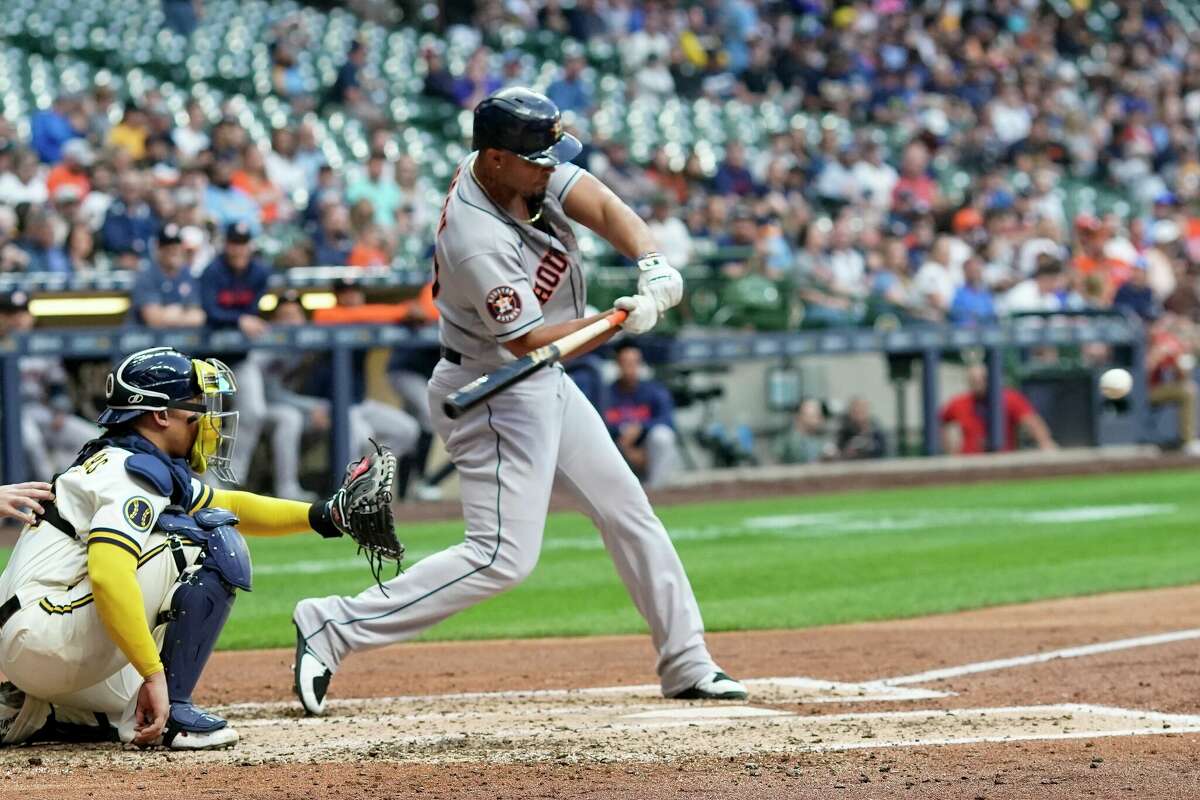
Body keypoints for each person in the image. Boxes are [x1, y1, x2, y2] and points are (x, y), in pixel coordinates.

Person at [293, 88, 746, 717]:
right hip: (497, 390)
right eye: (537, 158)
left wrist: (652, 262)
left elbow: (606, 207)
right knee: (501, 557)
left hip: (543, 383)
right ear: (496, 157)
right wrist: (618, 320)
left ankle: (687, 661)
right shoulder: (475, 237)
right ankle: (332, 624)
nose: (550, 167)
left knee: (627, 511)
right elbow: (529, 343)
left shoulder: (523, 175)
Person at [0, 347, 373, 749]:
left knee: (127, 709)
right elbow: (108, 574)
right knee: (210, 540)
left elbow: (229, 502)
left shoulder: (128, 458)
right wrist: (153, 674)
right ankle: (176, 710)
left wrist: (323, 515)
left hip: (35, 641)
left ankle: (38, 712)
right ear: (160, 414)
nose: (206, 419)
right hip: (47, 635)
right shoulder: (128, 474)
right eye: (195, 407)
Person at [603, 343, 681, 489]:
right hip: (617, 449)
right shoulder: (606, 393)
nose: (630, 368)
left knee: (663, 436)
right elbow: (598, 426)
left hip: (648, 450)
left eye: (634, 363)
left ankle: (656, 490)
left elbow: (668, 421)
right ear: (617, 364)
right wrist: (625, 447)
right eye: (625, 363)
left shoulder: (654, 390)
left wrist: (641, 427)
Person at [939, 364, 1057, 455]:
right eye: (973, 380)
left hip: (1002, 458)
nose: (978, 384)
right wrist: (950, 451)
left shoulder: (1009, 398)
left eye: (981, 379)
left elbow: (1032, 422)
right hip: (969, 461)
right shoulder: (960, 402)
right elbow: (941, 421)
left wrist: (1046, 444)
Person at [130, 225, 205, 329]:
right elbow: (153, 319)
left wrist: (170, 314)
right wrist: (183, 313)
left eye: (176, 245)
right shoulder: (147, 275)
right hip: (149, 342)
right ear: (158, 248)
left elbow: (199, 317)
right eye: (167, 246)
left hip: (183, 341)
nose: (173, 250)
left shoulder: (187, 274)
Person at [774, 398, 834, 464]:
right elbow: (776, 460)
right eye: (813, 416)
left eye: (819, 415)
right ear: (799, 416)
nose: (819, 419)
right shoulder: (787, 439)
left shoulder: (822, 439)